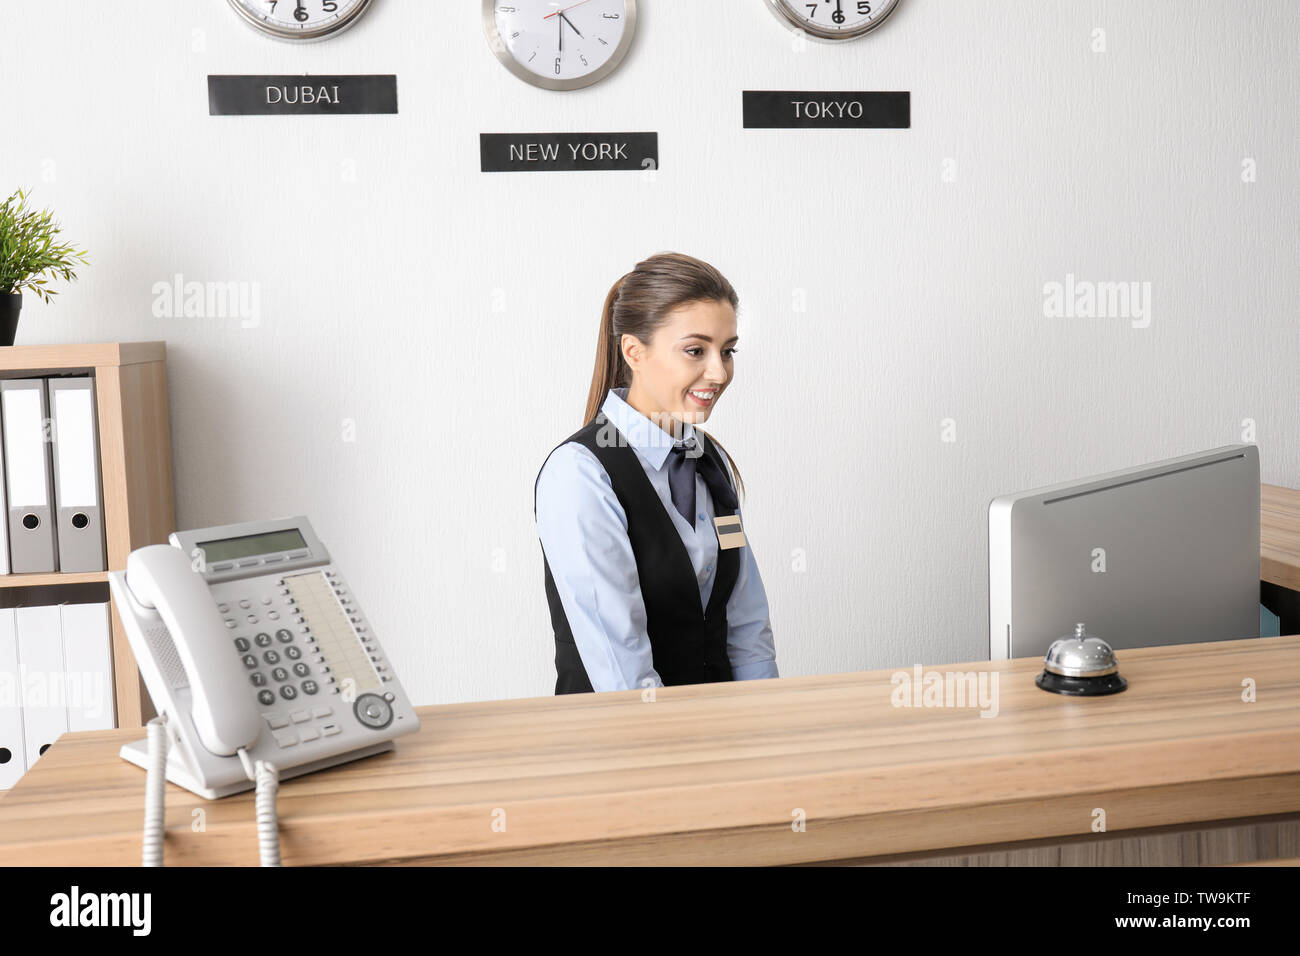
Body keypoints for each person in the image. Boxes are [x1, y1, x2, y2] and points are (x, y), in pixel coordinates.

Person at [534, 251, 778, 693]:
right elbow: (622, 671)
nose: (719, 372)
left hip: (720, 737)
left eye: (727, 351)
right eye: (695, 350)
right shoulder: (581, 474)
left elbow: (745, 620)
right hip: (626, 744)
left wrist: (765, 720)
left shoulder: (710, 462)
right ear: (634, 351)